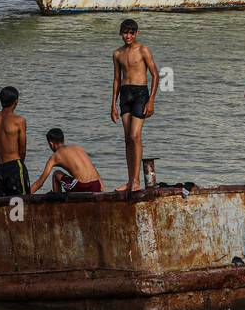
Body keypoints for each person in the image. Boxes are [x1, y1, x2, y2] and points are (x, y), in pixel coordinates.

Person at [111, 18, 158, 192]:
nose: (128, 36)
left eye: (131, 33)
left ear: (136, 34)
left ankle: (136, 181)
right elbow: (116, 79)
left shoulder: (143, 50)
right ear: (121, 33)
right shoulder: (117, 54)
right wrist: (113, 105)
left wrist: (151, 100)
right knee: (127, 140)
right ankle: (130, 180)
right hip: (125, 94)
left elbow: (155, 75)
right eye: (125, 32)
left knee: (135, 136)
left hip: (140, 94)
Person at [30, 128, 104, 193]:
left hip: (83, 187)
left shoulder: (55, 156)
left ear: (51, 143)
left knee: (56, 174)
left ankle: (57, 203)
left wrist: (24, 197)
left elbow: (40, 183)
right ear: (63, 140)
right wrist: (102, 186)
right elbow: (93, 168)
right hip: (96, 185)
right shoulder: (78, 148)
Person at [0, 86, 29, 197]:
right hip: (15, 166)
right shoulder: (19, 121)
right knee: (22, 202)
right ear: (16, 101)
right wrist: (19, 164)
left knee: (2, 206)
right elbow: (22, 149)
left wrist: (3, 157)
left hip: (0, 168)